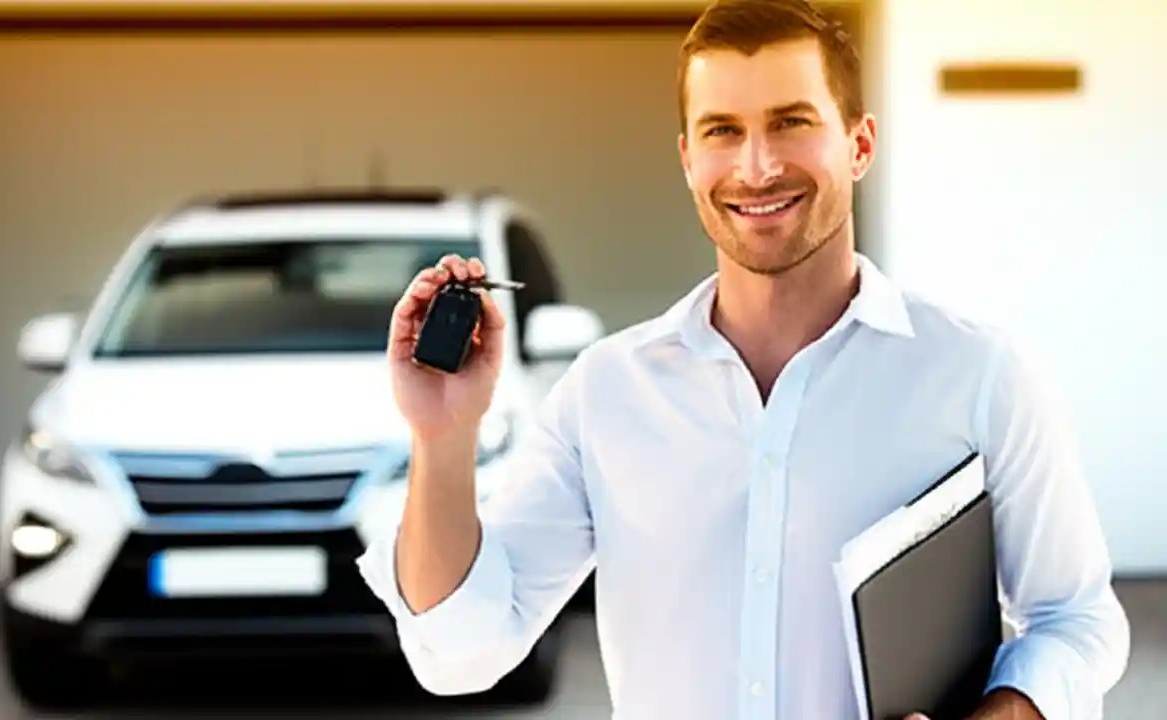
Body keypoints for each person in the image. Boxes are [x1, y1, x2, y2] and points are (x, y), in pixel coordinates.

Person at [355, 0, 1131, 717]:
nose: (756, 167)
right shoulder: (606, 392)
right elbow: (461, 655)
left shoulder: (980, 375)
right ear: (688, 157)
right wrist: (442, 437)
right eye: (723, 130)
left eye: (791, 122)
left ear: (859, 144)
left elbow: (1075, 621)